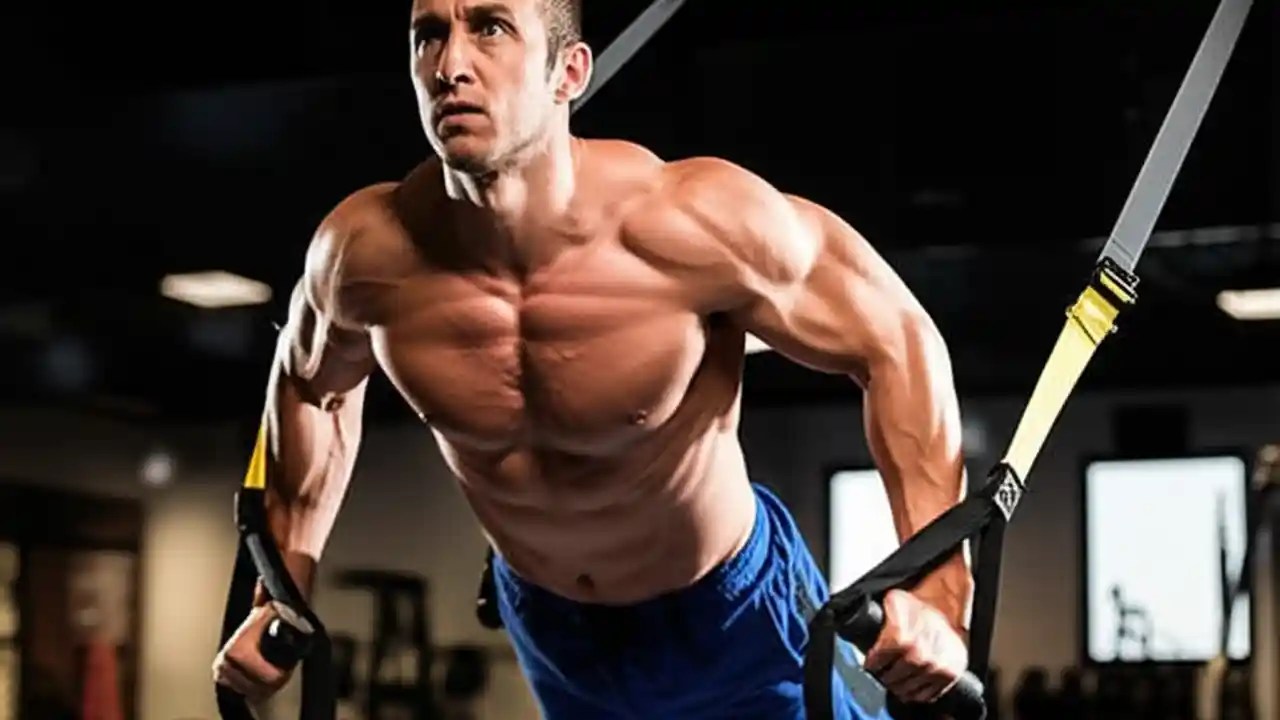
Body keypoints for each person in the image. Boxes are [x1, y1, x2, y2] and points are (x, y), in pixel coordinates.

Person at [212, 0, 974, 717]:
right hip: (554, 632)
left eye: (490, 29)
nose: (450, 64)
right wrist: (282, 590)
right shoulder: (362, 255)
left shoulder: (692, 222)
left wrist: (939, 595)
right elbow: (312, 388)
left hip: (731, 617)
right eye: (428, 35)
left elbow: (897, 341)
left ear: (569, 72)